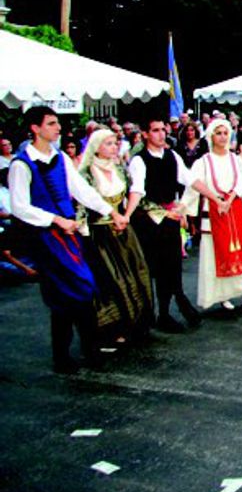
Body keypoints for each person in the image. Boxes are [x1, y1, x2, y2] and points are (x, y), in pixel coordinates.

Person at [9, 106, 128, 373]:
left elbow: (81, 190)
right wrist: (55, 220)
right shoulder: (21, 163)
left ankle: (86, 350)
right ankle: (68, 354)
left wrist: (111, 211)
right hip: (46, 237)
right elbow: (19, 206)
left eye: (57, 123)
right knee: (67, 292)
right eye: (51, 123)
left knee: (81, 289)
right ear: (35, 128)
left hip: (69, 233)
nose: (58, 128)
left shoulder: (60, 157)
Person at [179, 119, 242, 313]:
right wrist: (183, 207)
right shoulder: (203, 162)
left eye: (226, 133)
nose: (223, 137)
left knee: (241, 251)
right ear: (211, 136)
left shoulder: (237, 160)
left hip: (236, 215)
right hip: (214, 215)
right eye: (218, 133)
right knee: (214, 254)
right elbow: (192, 187)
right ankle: (222, 295)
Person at [78, 129, 154, 345]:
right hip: (100, 233)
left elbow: (136, 193)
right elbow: (82, 204)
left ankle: (137, 324)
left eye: (115, 143)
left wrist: (158, 212)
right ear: (97, 146)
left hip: (123, 229)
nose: (114, 147)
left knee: (137, 274)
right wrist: (81, 230)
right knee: (111, 280)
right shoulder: (86, 173)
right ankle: (113, 329)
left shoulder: (120, 168)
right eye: (109, 143)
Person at [126, 117, 201, 333]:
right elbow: (137, 192)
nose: (161, 134)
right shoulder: (139, 161)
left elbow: (190, 180)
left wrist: (213, 197)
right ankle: (150, 315)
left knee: (173, 266)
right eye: (155, 130)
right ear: (146, 134)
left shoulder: (172, 156)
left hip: (170, 220)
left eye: (163, 129)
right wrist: (128, 215)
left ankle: (167, 312)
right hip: (149, 222)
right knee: (153, 269)